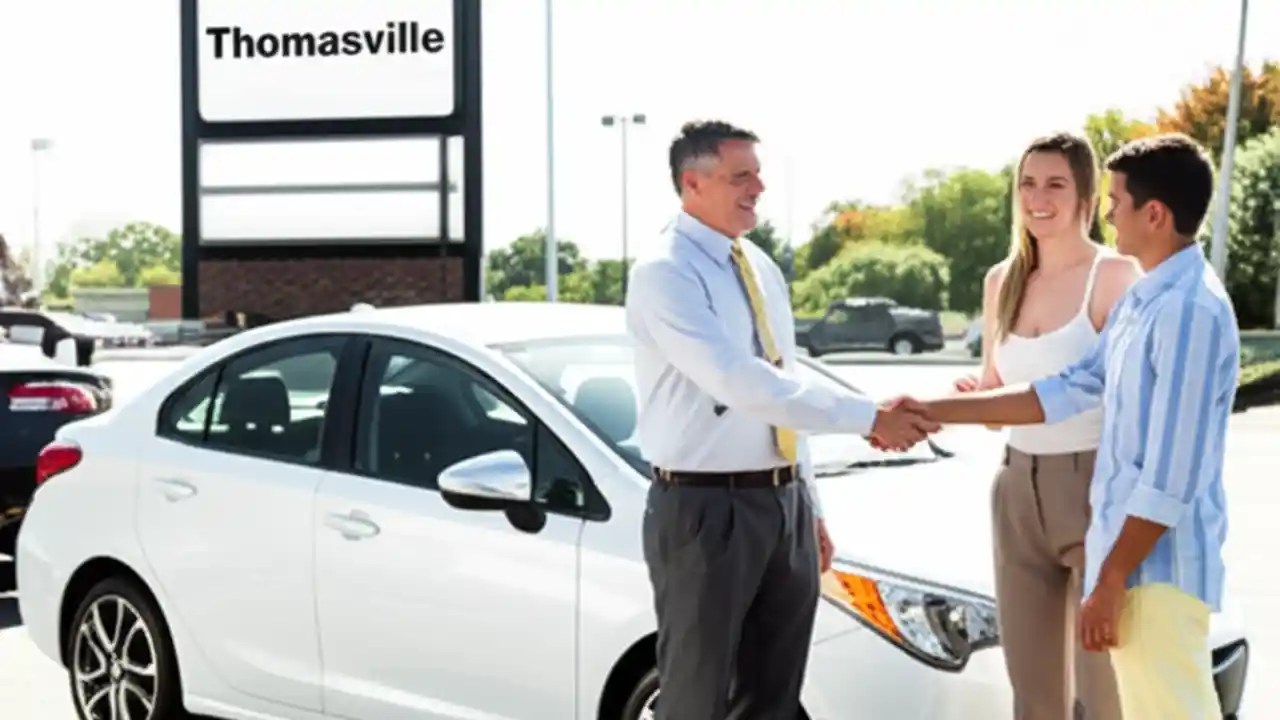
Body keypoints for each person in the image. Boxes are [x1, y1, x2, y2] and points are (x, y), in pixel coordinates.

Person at [897, 133, 1237, 720]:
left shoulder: (1184, 310)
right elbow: (1064, 388)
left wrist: (1108, 581)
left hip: (1155, 565)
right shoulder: (1148, 303)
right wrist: (933, 409)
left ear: (1153, 214)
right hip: (1108, 540)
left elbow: (1168, 478)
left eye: (1115, 202)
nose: (1109, 214)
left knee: (1143, 709)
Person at [625, 119, 938, 719]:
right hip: (704, 512)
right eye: (741, 175)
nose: (759, 187)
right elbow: (741, 383)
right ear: (692, 183)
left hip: (782, 507)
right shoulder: (665, 272)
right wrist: (870, 418)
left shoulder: (759, 267)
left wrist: (809, 504)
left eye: (759, 173)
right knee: (695, 699)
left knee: (773, 698)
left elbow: (785, 379)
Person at [956, 131, 1140, 720]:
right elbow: (995, 385)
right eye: (1028, 184)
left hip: (1094, 486)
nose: (1039, 198)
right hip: (1016, 488)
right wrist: (976, 396)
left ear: (1085, 193)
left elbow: (1126, 394)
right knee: (1033, 695)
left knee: (1102, 693)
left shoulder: (1114, 275)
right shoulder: (999, 282)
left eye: (1055, 184)